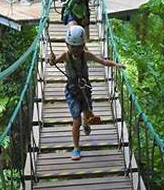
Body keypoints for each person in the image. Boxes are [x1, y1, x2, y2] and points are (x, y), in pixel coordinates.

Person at [48, 25, 125, 160]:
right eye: (72, 46)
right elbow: (53, 63)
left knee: (88, 114)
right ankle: (76, 147)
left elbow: (102, 61)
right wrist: (51, 59)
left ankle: (86, 122)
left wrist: (116, 65)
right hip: (72, 92)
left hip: (85, 90)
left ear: (83, 45)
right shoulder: (65, 56)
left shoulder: (86, 55)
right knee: (76, 120)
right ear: (67, 45)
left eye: (78, 47)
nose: (75, 50)